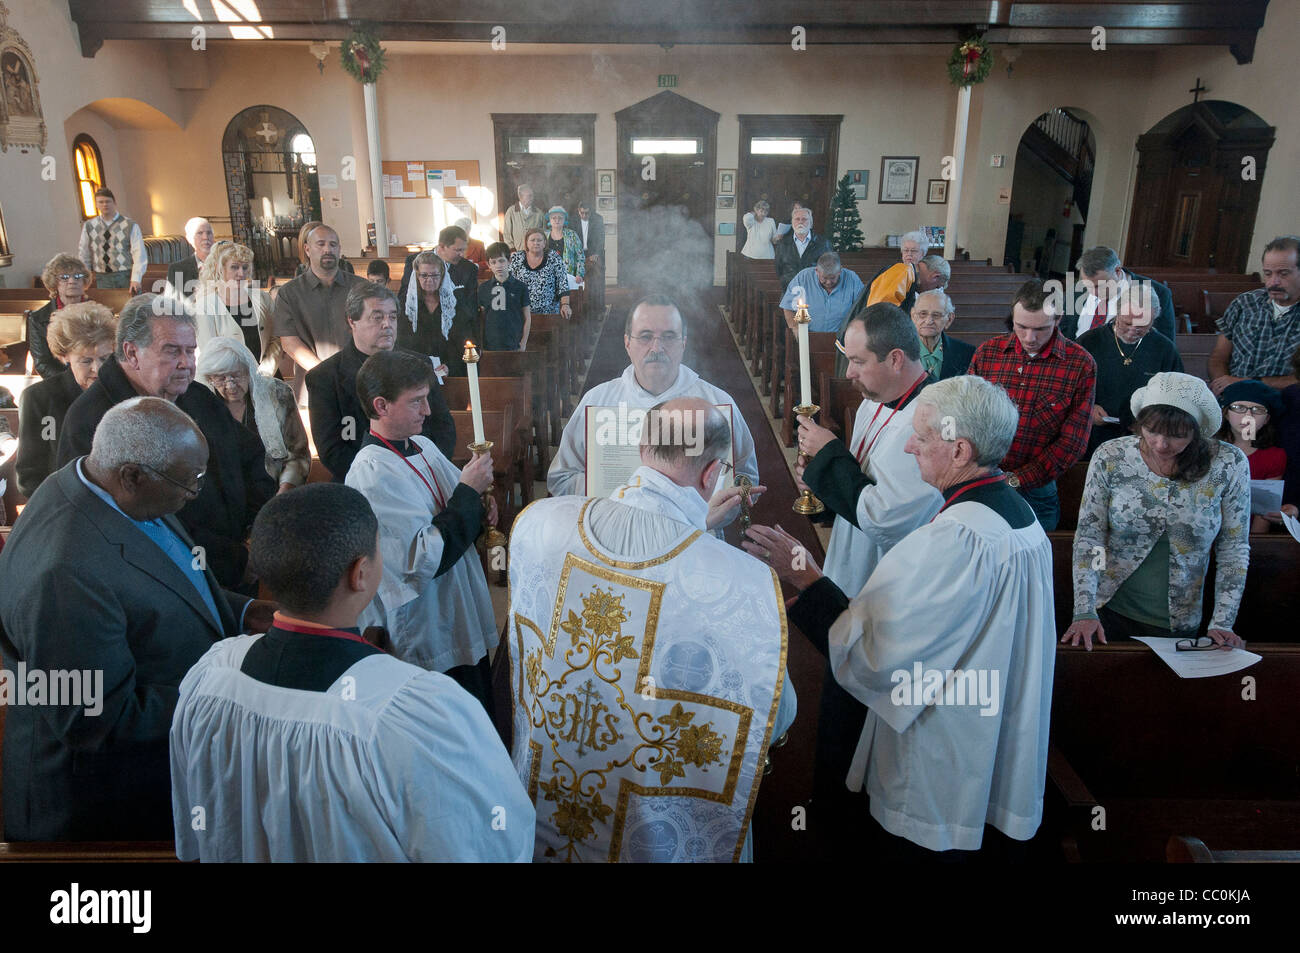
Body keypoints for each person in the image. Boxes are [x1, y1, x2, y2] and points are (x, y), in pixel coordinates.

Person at [746, 375, 1055, 860]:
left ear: (960, 451)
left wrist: (806, 578)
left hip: (939, 744)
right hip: (990, 724)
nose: (909, 445)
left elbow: (879, 655)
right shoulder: (1019, 517)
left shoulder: (957, 538)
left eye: (923, 436)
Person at [170, 483, 534, 862]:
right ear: (361, 573)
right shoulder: (419, 712)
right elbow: (496, 846)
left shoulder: (209, 679)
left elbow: (197, 834)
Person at [508, 398, 791, 862]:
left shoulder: (539, 526)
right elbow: (775, 716)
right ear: (712, 472)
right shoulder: (740, 583)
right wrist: (704, 542)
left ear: (642, 446)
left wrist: (697, 529)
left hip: (557, 795)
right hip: (651, 824)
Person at [0, 397, 273, 841]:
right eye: (189, 482)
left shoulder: (100, 485)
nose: (193, 493)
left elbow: (162, 574)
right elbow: (98, 718)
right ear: (131, 475)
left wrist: (243, 610)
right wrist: (233, 692)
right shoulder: (64, 572)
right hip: (104, 809)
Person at [789, 303, 943, 840]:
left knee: (857, 708)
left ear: (895, 357)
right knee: (842, 687)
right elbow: (860, 488)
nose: (848, 374)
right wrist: (826, 481)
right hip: (852, 575)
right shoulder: (879, 402)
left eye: (857, 362)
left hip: (888, 593)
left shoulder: (924, 420)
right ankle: (837, 802)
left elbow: (884, 516)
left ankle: (853, 822)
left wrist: (829, 456)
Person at [56, 294, 277, 589]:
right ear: (131, 353)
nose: (186, 363)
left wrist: (254, 533)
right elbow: (131, 526)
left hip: (238, 563)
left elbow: (251, 456)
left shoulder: (196, 395)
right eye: (172, 351)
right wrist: (234, 559)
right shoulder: (91, 420)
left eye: (191, 351)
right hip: (166, 583)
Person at [344, 349, 498, 711]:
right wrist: (468, 492)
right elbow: (423, 559)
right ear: (381, 406)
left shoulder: (423, 446)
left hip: (456, 608)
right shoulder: (371, 472)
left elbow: (455, 507)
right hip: (426, 624)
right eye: (416, 402)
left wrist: (479, 507)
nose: (428, 411)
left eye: (426, 399)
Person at [1064, 372, 1250, 649]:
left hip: (1182, 618)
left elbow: (1233, 547)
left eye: (1177, 436)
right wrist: (1084, 609)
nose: (1161, 444)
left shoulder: (1228, 462)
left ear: (1197, 431)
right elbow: (1091, 538)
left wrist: (1222, 621)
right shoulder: (1111, 456)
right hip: (1108, 609)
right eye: (1151, 431)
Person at [549, 294, 759, 499]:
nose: (656, 348)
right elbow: (561, 477)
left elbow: (746, 476)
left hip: (696, 530)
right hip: (615, 528)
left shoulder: (716, 403)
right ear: (627, 343)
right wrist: (602, 492)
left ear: (683, 343)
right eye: (645, 336)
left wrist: (731, 498)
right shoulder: (597, 401)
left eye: (668, 336)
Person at [968, 278, 1096, 530]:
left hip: (1038, 488)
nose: (1029, 338)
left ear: (1058, 320)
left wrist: (1017, 479)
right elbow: (968, 417)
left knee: (1033, 561)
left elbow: (1073, 442)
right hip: (984, 477)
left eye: (1041, 329)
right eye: (1021, 327)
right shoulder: (988, 353)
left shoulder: (1080, 364)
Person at [306, 281, 456, 479]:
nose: (387, 324)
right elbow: (331, 450)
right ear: (352, 321)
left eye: (392, 317)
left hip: (422, 476)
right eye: (377, 317)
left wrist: (420, 471)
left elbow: (443, 428)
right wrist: (382, 478)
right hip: (361, 484)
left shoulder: (421, 364)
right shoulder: (324, 377)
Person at [16, 301, 116, 497]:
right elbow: (29, 475)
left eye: (105, 358)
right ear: (65, 357)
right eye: (86, 360)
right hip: (60, 506)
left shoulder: (121, 393)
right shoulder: (39, 398)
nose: (97, 369)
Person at [197, 336, 310, 494]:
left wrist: (284, 491)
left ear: (249, 370)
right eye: (221, 378)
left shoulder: (277, 395)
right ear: (210, 378)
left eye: (236, 375)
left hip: (274, 490)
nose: (230, 385)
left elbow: (298, 454)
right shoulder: (202, 404)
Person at [1078, 291, 1183, 454]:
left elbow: (1176, 396)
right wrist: (1086, 407)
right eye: (1127, 323)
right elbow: (1069, 388)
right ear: (1117, 313)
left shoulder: (1164, 348)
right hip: (1092, 432)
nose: (1133, 330)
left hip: (1145, 437)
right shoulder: (1089, 342)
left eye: (1142, 326)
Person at [1209, 236, 1300, 394]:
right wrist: (1223, 388)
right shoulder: (1245, 303)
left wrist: (1249, 383)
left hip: (1288, 404)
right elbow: (1218, 357)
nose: (1273, 282)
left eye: (1283, 274)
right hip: (1236, 398)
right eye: (1268, 274)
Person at [274, 223, 365, 374]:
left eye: (333, 244)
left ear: (339, 249)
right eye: (321, 244)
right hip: (312, 379)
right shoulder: (289, 293)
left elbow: (372, 332)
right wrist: (325, 373)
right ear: (307, 250)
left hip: (357, 375)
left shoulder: (361, 288)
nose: (328, 249)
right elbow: (290, 343)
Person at [1215, 379, 1287, 533]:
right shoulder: (1210, 451)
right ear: (1226, 413)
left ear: (1267, 419)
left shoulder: (1275, 456)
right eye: (1239, 408)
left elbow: (1264, 512)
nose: (1248, 415)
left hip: (1249, 536)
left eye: (1257, 410)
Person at [1065, 246, 1177, 343]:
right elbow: (1064, 333)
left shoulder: (1158, 293)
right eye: (1088, 285)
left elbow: (1163, 346)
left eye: (1100, 286)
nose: (1094, 293)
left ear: (1117, 271)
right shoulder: (1076, 291)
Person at [192, 240, 276, 365]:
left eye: (245, 267)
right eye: (234, 267)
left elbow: (276, 339)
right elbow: (210, 353)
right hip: (226, 379)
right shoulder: (205, 306)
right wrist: (239, 380)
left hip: (268, 375)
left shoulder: (263, 298)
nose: (241, 273)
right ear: (220, 269)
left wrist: (265, 373)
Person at [27, 253, 92, 380]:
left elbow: (108, 356)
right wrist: (71, 382)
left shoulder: (101, 313)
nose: (72, 281)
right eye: (64, 277)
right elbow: (42, 363)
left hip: (94, 378)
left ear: (84, 281)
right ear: (54, 283)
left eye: (78, 276)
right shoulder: (38, 319)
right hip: (59, 381)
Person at [77, 188, 145, 293]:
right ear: (96, 205)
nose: (105, 205)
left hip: (124, 275)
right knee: (106, 308)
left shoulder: (129, 225)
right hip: (101, 277)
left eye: (108, 201)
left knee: (129, 307)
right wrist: (84, 277)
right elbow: (83, 252)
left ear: (114, 203)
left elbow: (139, 253)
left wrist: (136, 279)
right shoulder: (89, 226)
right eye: (101, 202)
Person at [779, 251, 865, 333]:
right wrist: (795, 328)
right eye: (824, 278)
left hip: (842, 338)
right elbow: (788, 307)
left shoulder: (852, 279)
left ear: (840, 271)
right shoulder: (803, 278)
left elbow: (863, 308)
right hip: (807, 335)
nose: (828, 282)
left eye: (832, 278)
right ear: (816, 271)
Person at [397, 250, 454, 358]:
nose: (429, 280)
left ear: (442, 276)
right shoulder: (406, 304)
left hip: (447, 366)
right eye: (424, 275)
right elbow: (401, 342)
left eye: (434, 275)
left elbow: (459, 342)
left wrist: (448, 366)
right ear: (417, 276)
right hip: (414, 364)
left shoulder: (452, 304)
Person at [910, 289, 974, 380]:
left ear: (949, 319)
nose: (928, 321)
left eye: (936, 315)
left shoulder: (967, 353)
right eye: (923, 314)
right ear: (913, 316)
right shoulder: (900, 351)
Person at [478, 241, 530, 351]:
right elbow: (481, 318)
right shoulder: (483, 288)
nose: (498, 266)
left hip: (514, 343)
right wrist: (481, 344)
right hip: (490, 344)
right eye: (493, 262)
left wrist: (523, 342)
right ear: (489, 265)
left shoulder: (520, 287)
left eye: (502, 261)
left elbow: (527, 317)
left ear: (509, 261)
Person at [510, 227, 572, 319]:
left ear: (544, 243)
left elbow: (563, 283)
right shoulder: (517, 258)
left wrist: (565, 304)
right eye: (532, 240)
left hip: (549, 313)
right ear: (526, 243)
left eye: (539, 240)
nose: (536, 243)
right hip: (521, 312)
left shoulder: (554, 257)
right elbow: (507, 281)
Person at [861, 254, 950, 314]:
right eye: (937, 287)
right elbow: (879, 313)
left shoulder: (909, 277)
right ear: (935, 276)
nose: (932, 291)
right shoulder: (903, 272)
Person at [774, 207, 831, 289]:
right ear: (792, 223)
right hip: (789, 290)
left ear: (811, 224)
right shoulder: (782, 244)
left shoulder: (823, 244)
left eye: (804, 219)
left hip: (815, 290)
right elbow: (778, 269)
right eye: (797, 219)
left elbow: (829, 268)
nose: (800, 222)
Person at [166, 217, 215, 299]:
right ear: (189, 238)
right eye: (200, 233)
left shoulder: (226, 264)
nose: (205, 237)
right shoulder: (177, 269)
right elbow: (171, 304)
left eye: (209, 233)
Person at [575, 199, 606, 314]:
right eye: (582, 213)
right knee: (579, 280)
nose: (584, 215)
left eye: (587, 213)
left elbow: (601, 238)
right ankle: (582, 309)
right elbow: (572, 239)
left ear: (591, 212)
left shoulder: (598, 219)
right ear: (578, 211)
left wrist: (596, 253)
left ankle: (599, 308)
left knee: (597, 280)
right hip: (579, 254)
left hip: (594, 253)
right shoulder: (573, 221)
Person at [543, 205, 585, 282]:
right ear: (549, 220)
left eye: (560, 218)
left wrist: (579, 274)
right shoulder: (544, 236)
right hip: (547, 277)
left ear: (564, 219)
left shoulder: (572, 235)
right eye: (554, 218)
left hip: (568, 277)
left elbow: (580, 256)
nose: (557, 220)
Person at [503, 183, 546, 252]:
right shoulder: (511, 211)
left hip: (535, 253)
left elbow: (544, 234)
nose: (532, 198)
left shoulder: (539, 213)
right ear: (520, 196)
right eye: (529, 196)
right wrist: (512, 250)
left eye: (532, 195)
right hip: (517, 251)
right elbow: (507, 234)